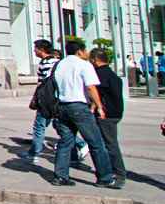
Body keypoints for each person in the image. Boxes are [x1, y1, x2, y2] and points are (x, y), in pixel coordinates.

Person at [49, 40, 116, 187]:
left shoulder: (59, 65)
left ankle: (60, 176)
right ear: (80, 51)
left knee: (65, 142)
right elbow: (91, 87)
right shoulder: (84, 65)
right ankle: (105, 177)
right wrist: (98, 106)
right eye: (85, 52)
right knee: (96, 143)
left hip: (62, 106)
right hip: (79, 106)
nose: (86, 55)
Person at [88, 48, 126, 188]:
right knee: (108, 142)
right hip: (115, 112)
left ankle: (119, 173)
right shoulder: (111, 73)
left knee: (109, 144)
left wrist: (94, 107)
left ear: (95, 59)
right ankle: (113, 170)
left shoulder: (99, 74)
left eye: (90, 58)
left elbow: (99, 92)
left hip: (106, 114)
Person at [19, 39, 58, 162]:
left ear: (41, 50)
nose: (34, 51)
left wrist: (36, 98)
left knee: (39, 126)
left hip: (46, 100)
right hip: (57, 99)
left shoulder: (46, 64)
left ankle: (34, 152)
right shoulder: (57, 62)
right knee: (58, 124)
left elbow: (43, 84)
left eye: (35, 48)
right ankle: (79, 144)